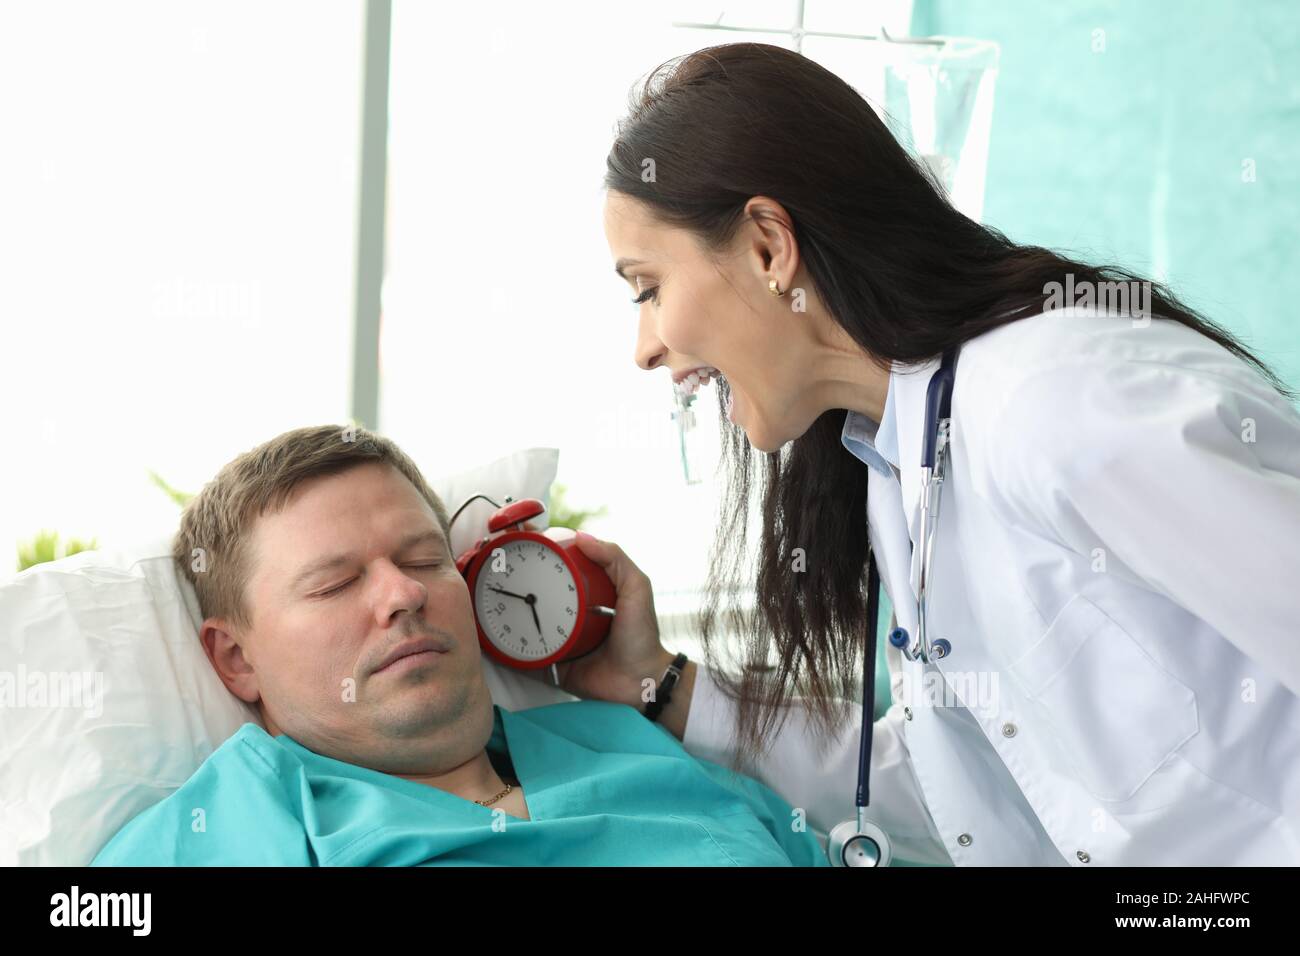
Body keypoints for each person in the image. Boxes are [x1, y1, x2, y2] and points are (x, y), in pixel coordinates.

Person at [550, 42, 1300, 865]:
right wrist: (662, 689)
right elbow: (959, 779)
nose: (645, 348)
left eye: (648, 288)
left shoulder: (1053, 403)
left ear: (768, 246)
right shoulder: (894, 465)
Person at [90, 425, 826, 867]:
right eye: (335, 582)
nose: (403, 595)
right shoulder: (241, 823)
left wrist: (655, 680)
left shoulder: (630, 745)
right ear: (235, 659)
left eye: (421, 561)